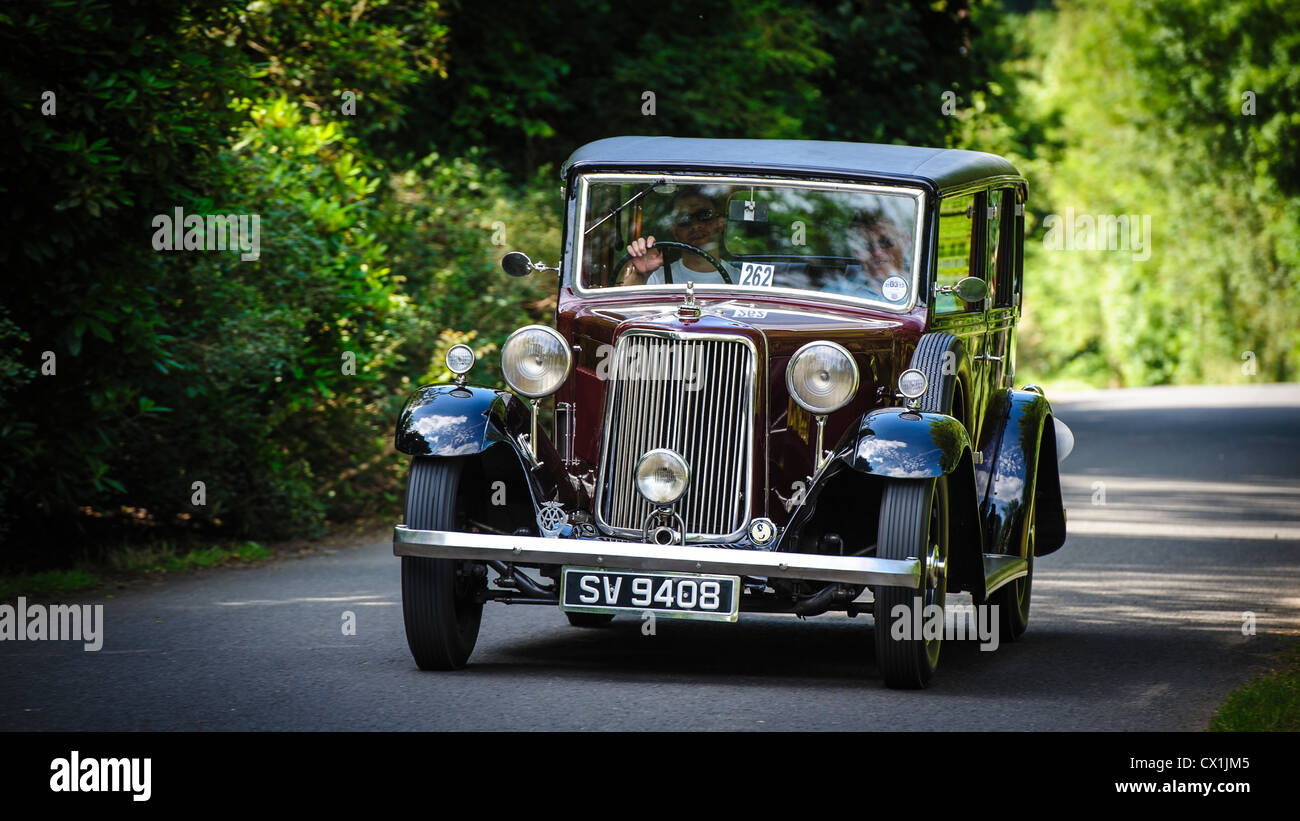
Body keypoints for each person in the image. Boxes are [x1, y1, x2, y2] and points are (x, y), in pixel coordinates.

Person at [620, 189, 737, 286]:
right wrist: (640, 274)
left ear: (720, 224)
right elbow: (622, 309)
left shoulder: (740, 279)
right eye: (683, 219)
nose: (696, 226)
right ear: (675, 231)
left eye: (704, 215)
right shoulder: (656, 278)